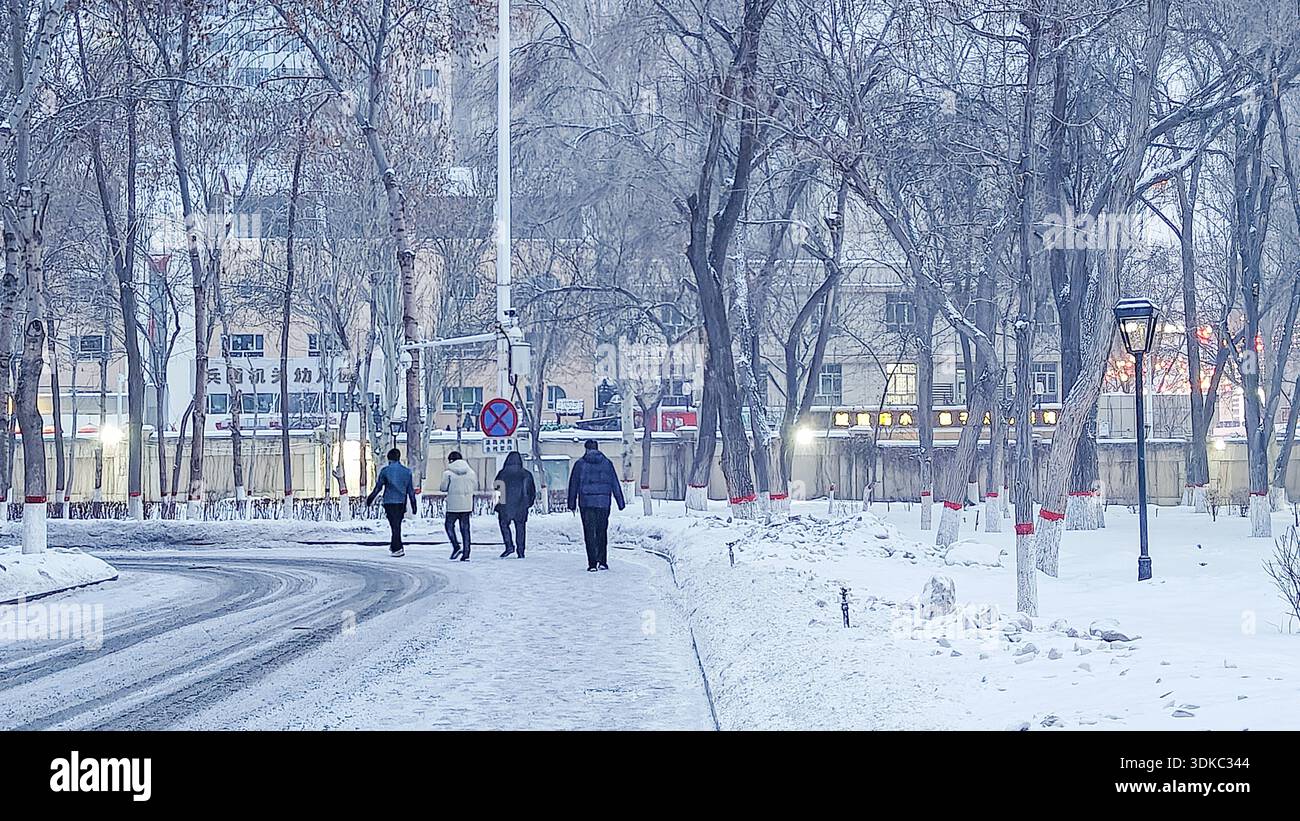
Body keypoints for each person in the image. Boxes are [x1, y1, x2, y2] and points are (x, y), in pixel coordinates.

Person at [567, 439, 625, 571]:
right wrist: (620, 501)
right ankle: (603, 561)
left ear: (586, 449)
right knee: (601, 531)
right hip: (604, 503)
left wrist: (571, 503)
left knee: (589, 532)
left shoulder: (580, 464)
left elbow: (573, 484)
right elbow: (614, 482)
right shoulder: (607, 463)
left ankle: (592, 564)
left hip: (586, 503)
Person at [366, 447, 418, 557]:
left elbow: (378, 488)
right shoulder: (407, 472)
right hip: (401, 502)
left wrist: (370, 499)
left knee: (394, 525)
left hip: (389, 502)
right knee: (397, 524)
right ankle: (395, 546)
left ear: (389, 458)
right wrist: (414, 505)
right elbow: (410, 490)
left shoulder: (385, 471)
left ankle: (397, 548)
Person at [493, 451, 537, 558]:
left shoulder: (502, 473)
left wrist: (499, 504)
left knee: (504, 525)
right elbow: (532, 491)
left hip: (505, 506)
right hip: (521, 505)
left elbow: (497, 488)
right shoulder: (526, 474)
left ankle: (509, 545)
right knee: (521, 527)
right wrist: (528, 503)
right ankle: (521, 550)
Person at [440, 450, 477, 561]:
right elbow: (474, 485)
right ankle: (466, 553)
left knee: (449, 525)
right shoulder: (471, 472)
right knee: (465, 529)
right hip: (467, 505)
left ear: (451, 460)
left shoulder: (448, 473)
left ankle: (456, 546)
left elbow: (443, 488)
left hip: (453, 505)